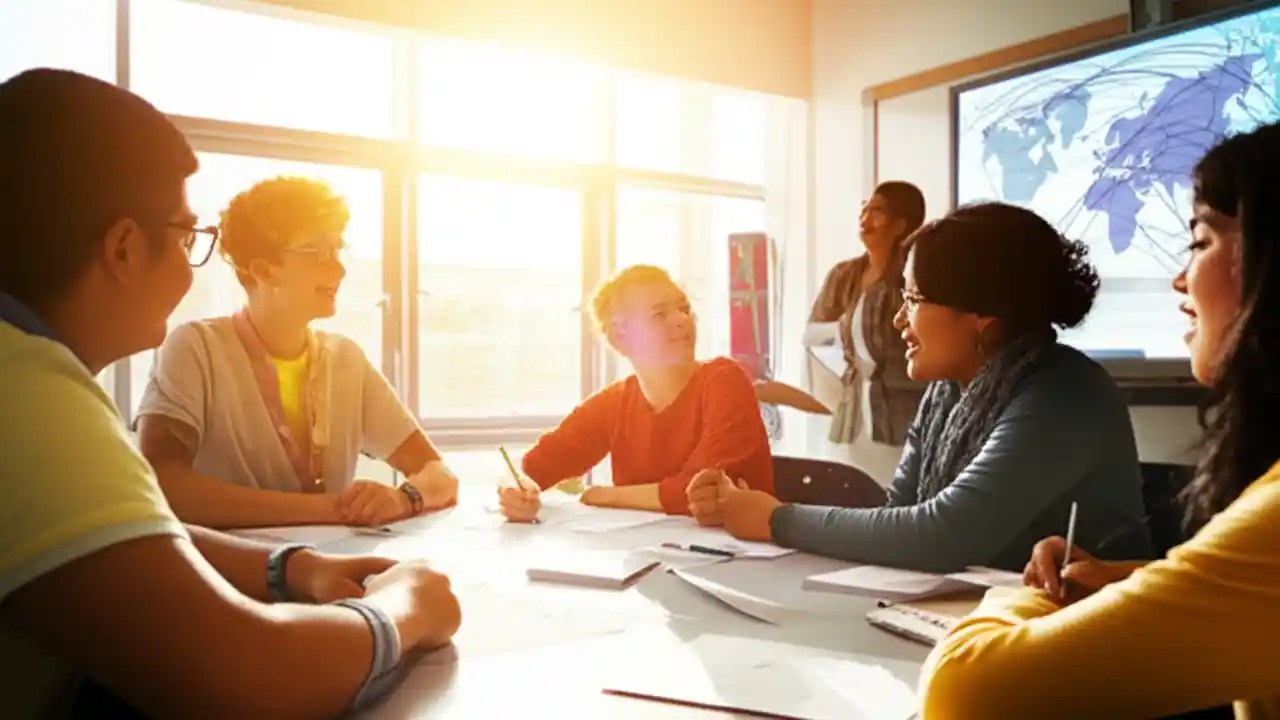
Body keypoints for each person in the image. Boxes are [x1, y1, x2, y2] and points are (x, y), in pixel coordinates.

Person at [0, 68, 459, 718]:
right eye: (187, 238)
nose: (337, 267)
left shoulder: (23, 369)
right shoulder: (31, 397)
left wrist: (292, 566)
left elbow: (126, 534)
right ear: (125, 249)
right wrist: (407, 605)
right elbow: (250, 673)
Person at [918, 124, 1280, 719]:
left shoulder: (1062, 389)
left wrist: (1022, 596)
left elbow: (964, 691)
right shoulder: (941, 399)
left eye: (1199, 242)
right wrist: (1129, 583)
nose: (1180, 279)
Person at [692, 202, 1152, 572]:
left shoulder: (1062, 395)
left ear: (980, 315)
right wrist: (757, 507)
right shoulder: (949, 390)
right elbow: (901, 510)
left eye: (911, 300)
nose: (898, 320)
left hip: (1081, 638)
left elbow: (941, 535)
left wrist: (775, 519)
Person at [137, 176, 459, 529]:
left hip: (334, 573)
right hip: (230, 575)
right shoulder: (196, 348)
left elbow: (439, 474)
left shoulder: (346, 359)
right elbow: (163, 485)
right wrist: (335, 509)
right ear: (262, 269)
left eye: (337, 250)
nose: (338, 268)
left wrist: (404, 498)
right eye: (317, 252)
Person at [498, 264, 774, 523]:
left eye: (684, 308)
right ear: (620, 336)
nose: (682, 320)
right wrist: (517, 490)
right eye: (659, 314)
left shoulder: (725, 380)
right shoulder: (615, 402)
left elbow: (702, 491)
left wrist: (607, 495)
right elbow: (533, 468)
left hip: (741, 562)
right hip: (650, 560)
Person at [787, 181, 927, 481]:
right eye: (863, 209)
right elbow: (816, 337)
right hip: (853, 413)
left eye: (876, 211)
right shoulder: (844, 275)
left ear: (901, 224)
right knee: (848, 493)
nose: (865, 218)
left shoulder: (914, 277)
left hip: (902, 417)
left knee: (894, 500)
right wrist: (844, 380)